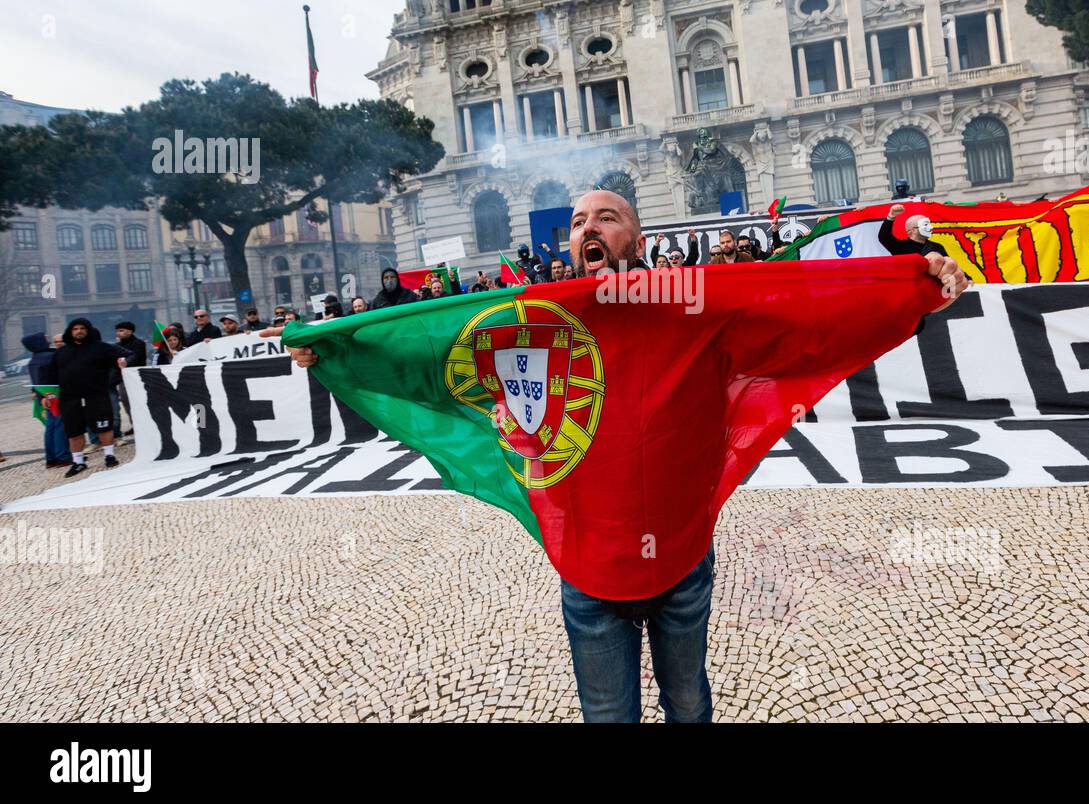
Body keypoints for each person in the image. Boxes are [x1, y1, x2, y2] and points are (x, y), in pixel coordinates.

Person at [272, 189, 970, 722]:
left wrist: (913, 288)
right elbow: (431, 355)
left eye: (604, 217)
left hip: (682, 561)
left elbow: (810, 312)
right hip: (589, 573)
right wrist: (339, 351)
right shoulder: (532, 321)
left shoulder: (697, 304)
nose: (587, 229)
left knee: (689, 706)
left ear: (635, 235)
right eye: (576, 223)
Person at [50, 318, 131, 477]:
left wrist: (123, 362)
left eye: (82, 328)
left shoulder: (101, 348)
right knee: (74, 431)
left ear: (88, 330)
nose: (79, 331)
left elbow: (125, 357)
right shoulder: (60, 353)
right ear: (70, 332)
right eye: (75, 329)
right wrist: (48, 395)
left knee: (104, 427)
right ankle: (78, 462)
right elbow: (51, 376)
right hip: (70, 398)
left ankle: (109, 455)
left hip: (96, 395)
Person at [22, 332, 72, 468]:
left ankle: (51, 458)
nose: (48, 339)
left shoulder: (34, 359)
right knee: (60, 425)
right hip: (57, 394)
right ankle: (63, 456)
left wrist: (41, 397)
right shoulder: (50, 356)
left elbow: (37, 381)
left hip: (45, 396)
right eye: (44, 338)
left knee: (51, 426)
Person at [112, 320, 148, 434]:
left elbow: (136, 357)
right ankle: (135, 425)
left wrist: (126, 362)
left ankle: (145, 424)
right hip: (123, 378)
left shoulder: (139, 343)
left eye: (121, 330)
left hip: (138, 377)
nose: (119, 333)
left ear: (130, 331)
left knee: (140, 402)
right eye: (117, 331)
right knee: (126, 401)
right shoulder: (117, 346)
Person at [879, 204, 948, 261]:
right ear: (913, 230)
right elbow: (884, 237)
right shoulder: (900, 247)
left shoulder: (937, 247)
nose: (931, 227)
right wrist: (891, 216)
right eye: (926, 224)